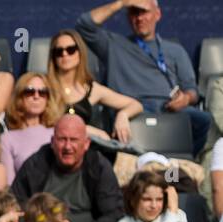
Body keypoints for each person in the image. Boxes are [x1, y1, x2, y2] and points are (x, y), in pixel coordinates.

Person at [76, 0, 211, 156]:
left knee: (203, 120)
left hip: (168, 109)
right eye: (134, 12)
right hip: (132, 109)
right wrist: (121, 3)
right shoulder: (113, 45)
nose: (139, 18)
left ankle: (180, 166)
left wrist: (185, 99)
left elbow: (192, 90)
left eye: (144, 12)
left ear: (157, 14)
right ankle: (139, 171)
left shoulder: (175, 50)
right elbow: (84, 25)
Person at [11, 115, 124, 222]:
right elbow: (16, 206)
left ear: (86, 144)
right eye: (62, 139)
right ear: (52, 142)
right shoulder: (36, 164)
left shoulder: (98, 166)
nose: (68, 146)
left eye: (74, 140)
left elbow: (114, 213)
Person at [47, 29, 142, 142]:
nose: (64, 54)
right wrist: (87, 129)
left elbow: (136, 105)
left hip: (83, 150)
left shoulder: (92, 89)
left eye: (71, 49)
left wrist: (123, 115)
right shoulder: (43, 87)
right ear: (53, 56)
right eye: (59, 51)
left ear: (80, 52)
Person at [0, 74, 62, 184]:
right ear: (19, 96)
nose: (36, 96)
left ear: (48, 98)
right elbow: (10, 185)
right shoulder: (8, 139)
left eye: (42, 92)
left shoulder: (57, 133)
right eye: (30, 91)